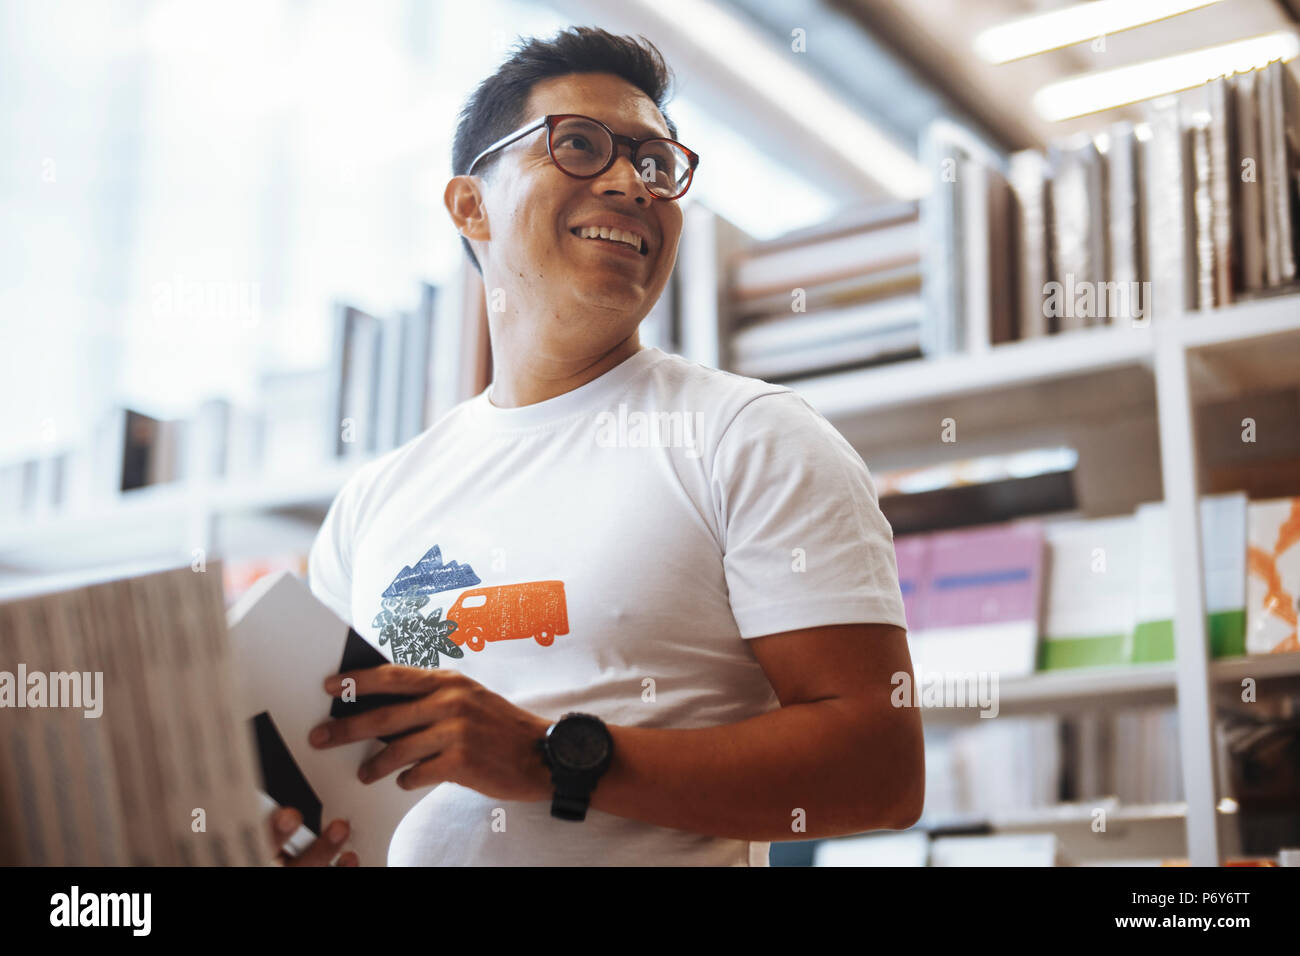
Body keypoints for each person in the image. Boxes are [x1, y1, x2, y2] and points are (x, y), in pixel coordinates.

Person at [277, 25, 923, 867]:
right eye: (578, 145)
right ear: (471, 205)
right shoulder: (375, 499)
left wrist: (549, 757)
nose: (632, 183)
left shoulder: (751, 437)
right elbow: (323, 772)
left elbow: (880, 769)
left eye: (656, 164)